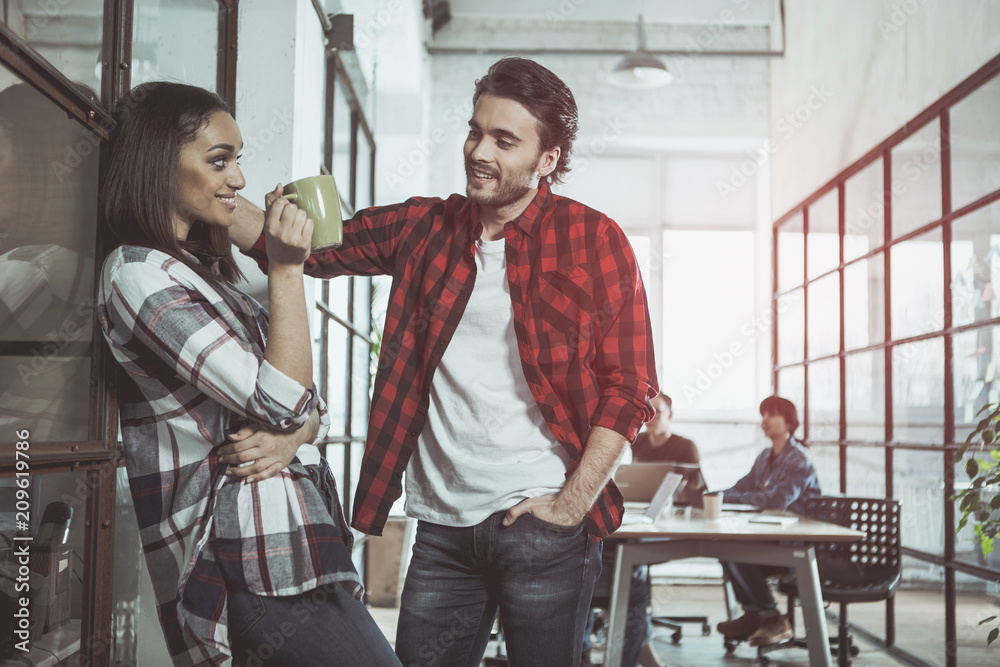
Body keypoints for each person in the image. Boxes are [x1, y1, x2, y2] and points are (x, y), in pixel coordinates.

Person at [230, 56, 658, 665]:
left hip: (542, 522)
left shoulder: (594, 239)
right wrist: (211, 190)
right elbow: (306, 249)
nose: (479, 151)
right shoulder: (425, 226)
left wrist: (569, 506)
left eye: (504, 140)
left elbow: (631, 385)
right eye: (475, 130)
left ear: (548, 160)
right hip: (440, 529)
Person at [97, 81, 400, 667]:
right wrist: (287, 270)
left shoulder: (202, 275)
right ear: (160, 162)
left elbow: (305, 406)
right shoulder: (137, 275)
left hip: (294, 543)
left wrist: (297, 431)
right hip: (247, 551)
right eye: (219, 160)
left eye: (237, 158)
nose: (237, 179)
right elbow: (286, 400)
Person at [716, 395, 821, 647]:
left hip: (797, 543)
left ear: (789, 422)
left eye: (771, 414)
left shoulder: (800, 459)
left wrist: (745, 498)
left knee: (736, 548)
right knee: (722, 544)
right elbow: (740, 488)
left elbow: (777, 500)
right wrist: (717, 497)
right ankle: (755, 614)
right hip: (770, 534)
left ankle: (773, 617)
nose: (765, 420)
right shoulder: (765, 456)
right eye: (763, 414)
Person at [631, 393, 698, 465]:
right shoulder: (637, 441)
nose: (649, 418)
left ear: (669, 414)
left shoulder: (685, 447)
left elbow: (695, 476)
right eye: (646, 412)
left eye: (656, 412)